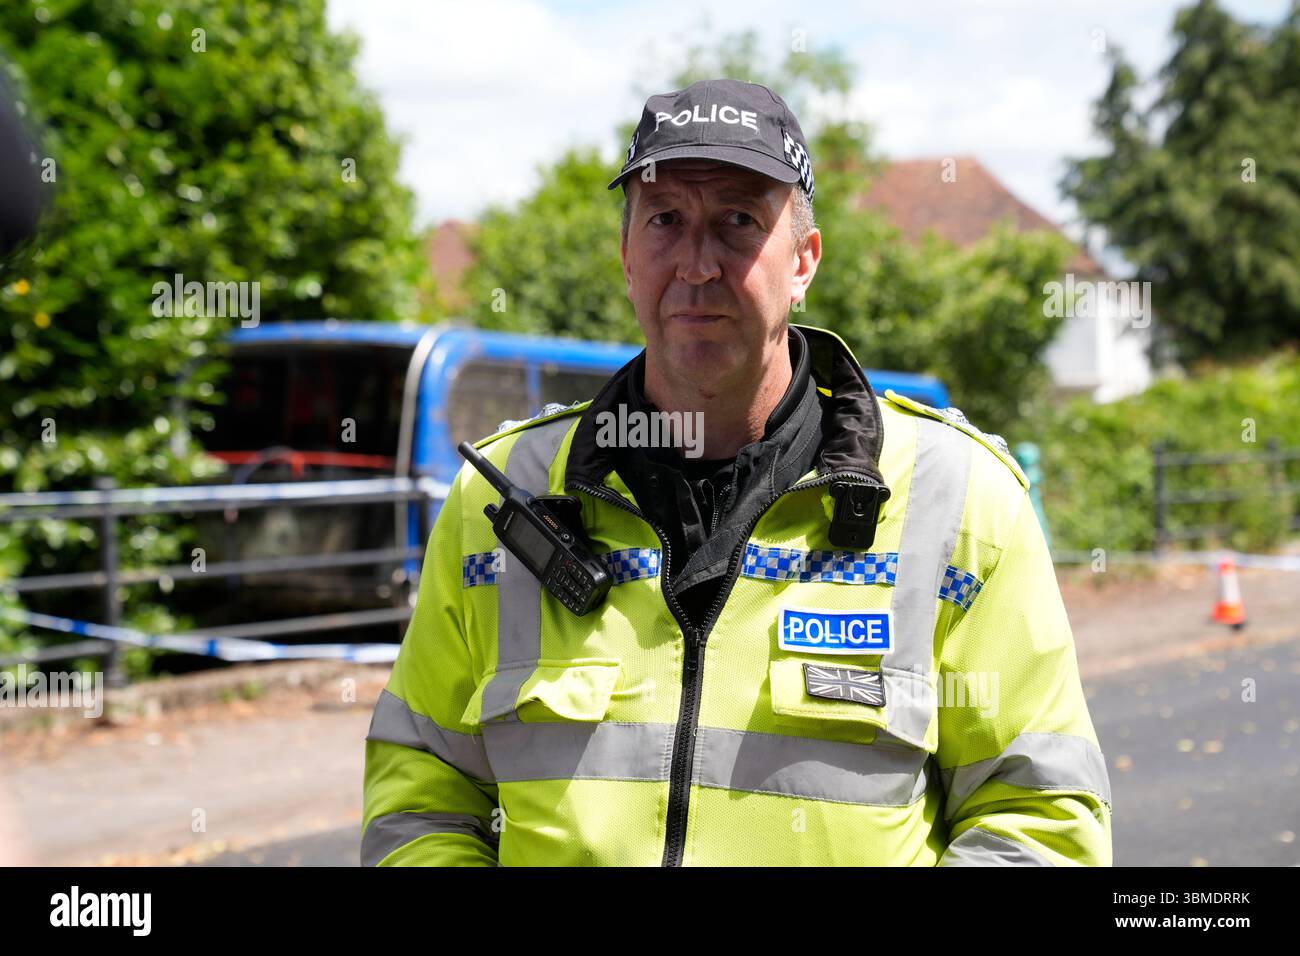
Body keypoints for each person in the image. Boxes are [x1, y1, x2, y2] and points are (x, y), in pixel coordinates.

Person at [361, 78, 1112, 866]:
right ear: (625, 255)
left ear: (803, 261)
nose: (696, 263)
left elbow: (1038, 819)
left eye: (737, 223)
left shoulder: (962, 502)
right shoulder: (502, 500)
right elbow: (422, 794)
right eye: (665, 220)